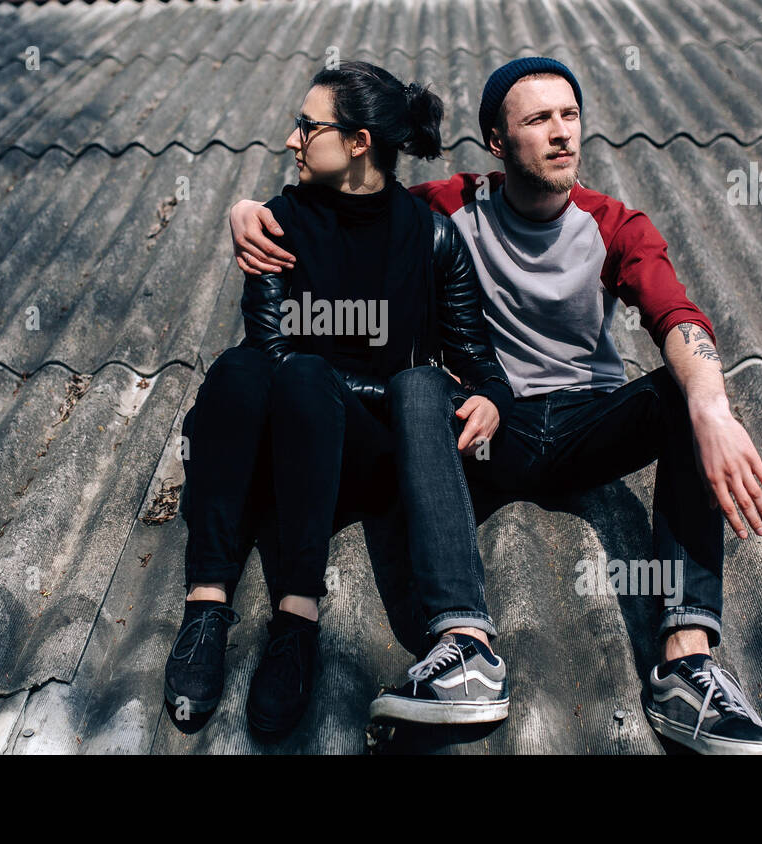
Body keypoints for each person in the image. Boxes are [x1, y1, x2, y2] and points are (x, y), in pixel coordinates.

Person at [228, 57, 762, 753]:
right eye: (539, 120)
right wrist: (248, 208)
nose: (562, 135)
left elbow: (677, 317)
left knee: (682, 390)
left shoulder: (615, 224)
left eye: (570, 116)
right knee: (418, 386)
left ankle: (687, 665)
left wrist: (713, 411)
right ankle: (464, 650)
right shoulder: (447, 205)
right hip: (488, 429)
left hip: (588, 423)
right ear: (497, 139)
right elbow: (352, 192)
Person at [165, 60, 515, 737]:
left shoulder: (431, 237)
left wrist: (493, 399)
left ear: (358, 142)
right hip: (287, 435)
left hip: (365, 453)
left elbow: (479, 360)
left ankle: (297, 619)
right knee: (240, 369)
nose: (292, 140)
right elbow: (269, 350)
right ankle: (205, 607)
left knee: (305, 375)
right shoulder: (276, 223)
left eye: (307, 126)